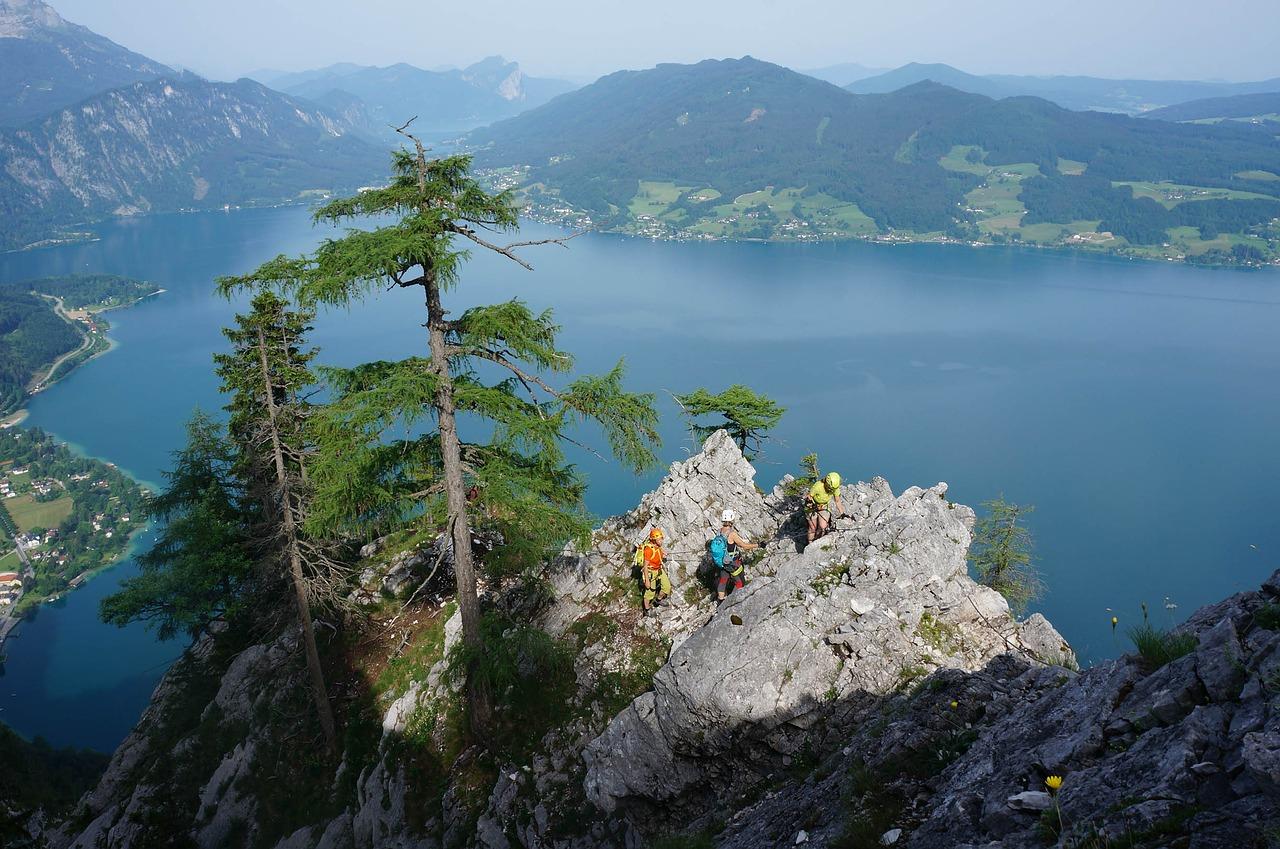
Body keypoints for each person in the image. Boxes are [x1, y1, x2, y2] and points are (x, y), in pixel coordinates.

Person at [714, 508, 760, 602]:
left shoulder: (719, 531)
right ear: (731, 520)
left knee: (723, 581)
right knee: (740, 582)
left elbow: (726, 544)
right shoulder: (732, 534)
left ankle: (720, 601)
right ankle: (732, 602)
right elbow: (744, 546)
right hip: (733, 563)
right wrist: (758, 545)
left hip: (722, 563)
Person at [635, 527, 671, 616]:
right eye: (659, 540)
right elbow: (645, 566)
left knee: (667, 587)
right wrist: (647, 580)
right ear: (654, 540)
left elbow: (658, 550)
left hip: (659, 569)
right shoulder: (648, 550)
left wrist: (663, 553)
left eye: (661, 539)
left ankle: (658, 600)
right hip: (650, 572)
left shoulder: (657, 546)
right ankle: (646, 610)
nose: (661, 541)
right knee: (650, 593)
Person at [805, 472, 844, 544]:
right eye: (830, 488)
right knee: (812, 528)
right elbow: (809, 496)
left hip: (823, 506)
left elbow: (837, 501)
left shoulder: (835, 488)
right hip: (812, 507)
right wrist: (811, 504)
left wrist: (842, 513)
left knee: (823, 526)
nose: (831, 490)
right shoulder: (818, 486)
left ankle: (818, 540)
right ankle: (810, 543)